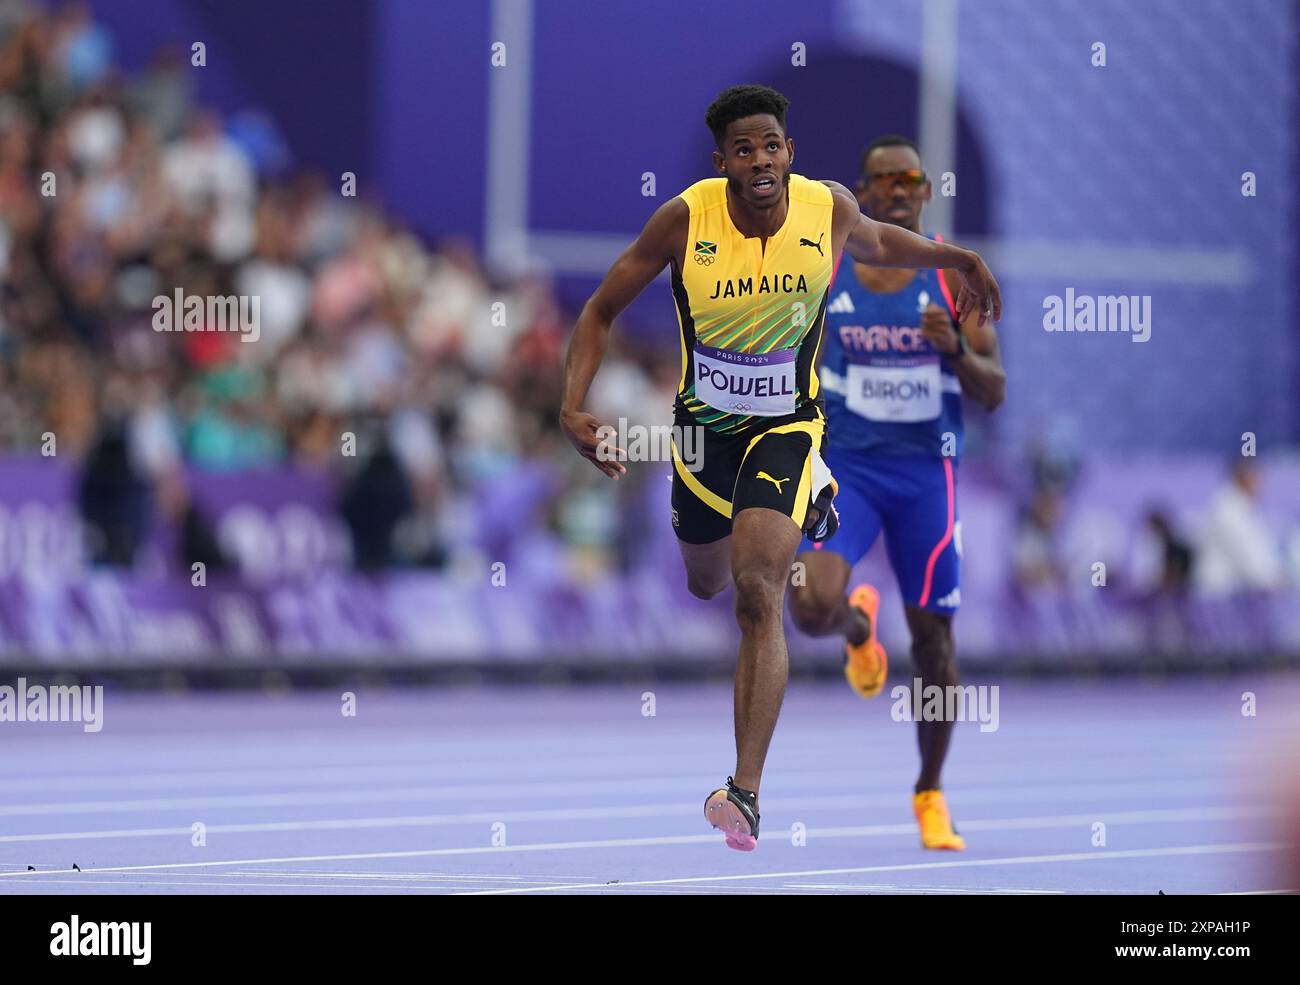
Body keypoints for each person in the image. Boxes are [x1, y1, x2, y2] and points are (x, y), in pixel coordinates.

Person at [559, 87, 1000, 852]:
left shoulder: (826, 209)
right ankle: (836, 570)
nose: (760, 160)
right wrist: (572, 406)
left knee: (760, 591)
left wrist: (959, 256)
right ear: (722, 162)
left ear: (789, 152)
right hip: (703, 435)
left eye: (771, 145)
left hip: (788, 427)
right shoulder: (684, 220)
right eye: (744, 149)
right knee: (707, 580)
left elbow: (882, 243)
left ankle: (746, 790)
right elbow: (600, 309)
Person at [787, 136, 1005, 850]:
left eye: (911, 178)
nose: (900, 189)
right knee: (809, 605)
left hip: (925, 476)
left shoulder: (951, 279)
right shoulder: (830, 268)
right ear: (863, 194)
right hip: (848, 467)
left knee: (934, 643)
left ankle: (930, 791)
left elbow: (994, 392)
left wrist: (954, 352)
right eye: (886, 180)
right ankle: (858, 630)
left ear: (926, 191)